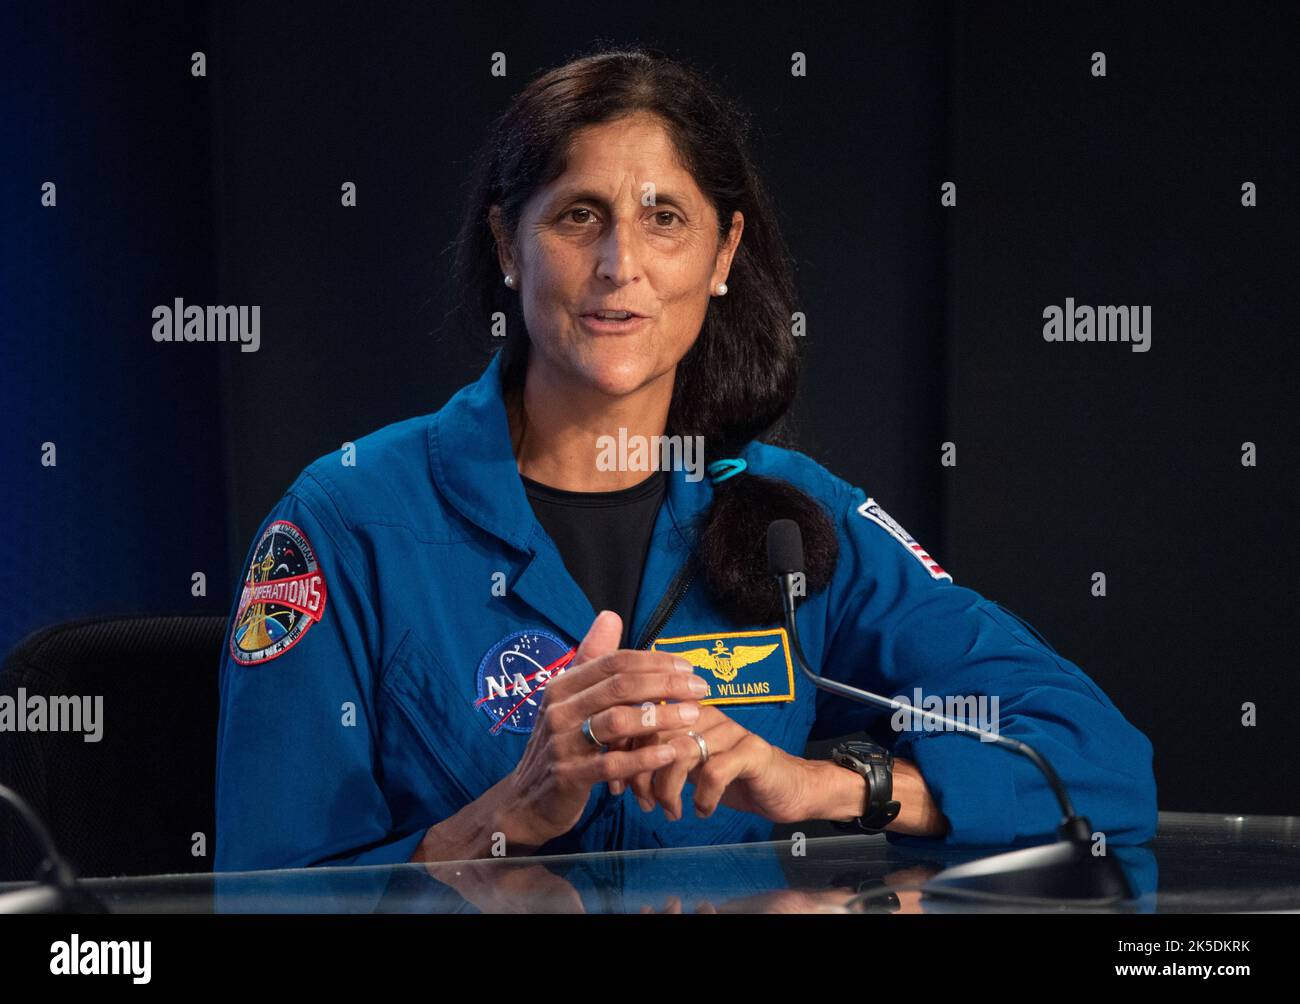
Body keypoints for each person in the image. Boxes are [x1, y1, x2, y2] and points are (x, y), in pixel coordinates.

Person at [214, 47, 1156, 871]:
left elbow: (1100, 764)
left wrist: (828, 785)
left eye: (665, 219)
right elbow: (266, 891)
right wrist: (507, 819)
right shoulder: (347, 522)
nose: (621, 262)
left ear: (723, 252)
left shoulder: (792, 517)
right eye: (579, 216)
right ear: (509, 245)